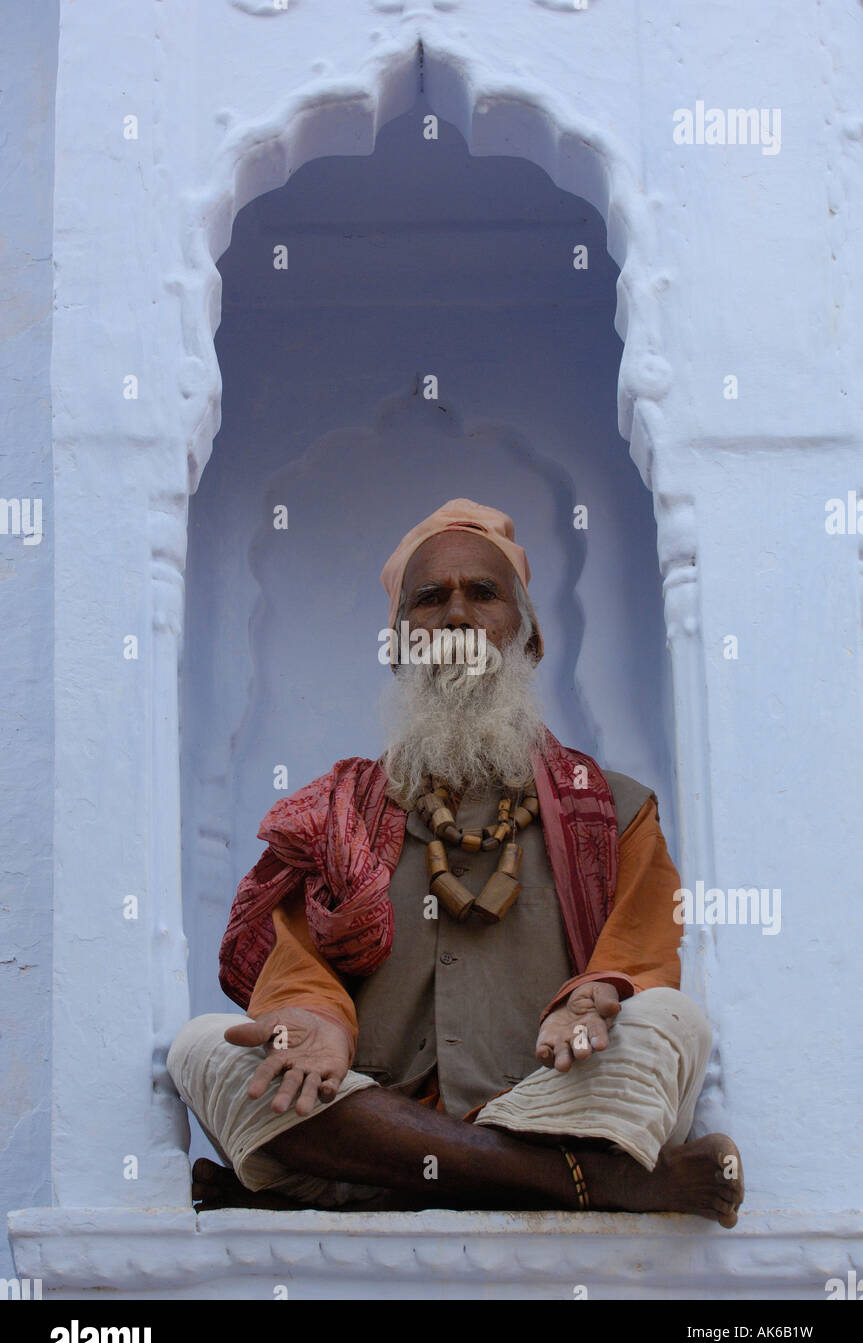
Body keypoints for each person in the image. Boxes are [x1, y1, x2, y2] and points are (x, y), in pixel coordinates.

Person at [168, 499, 743, 1224]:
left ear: (528, 641)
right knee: (201, 1049)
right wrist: (314, 1019)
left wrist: (593, 996)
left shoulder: (613, 806)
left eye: (483, 594)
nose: (456, 616)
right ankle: (579, 1184)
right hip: (376, 1105)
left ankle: (406, 1175)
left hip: (542, 1107)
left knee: (668, 1021)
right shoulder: (336, 809)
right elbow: (292, 967)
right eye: (431, 599)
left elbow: (644, 953)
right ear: (399, 644)